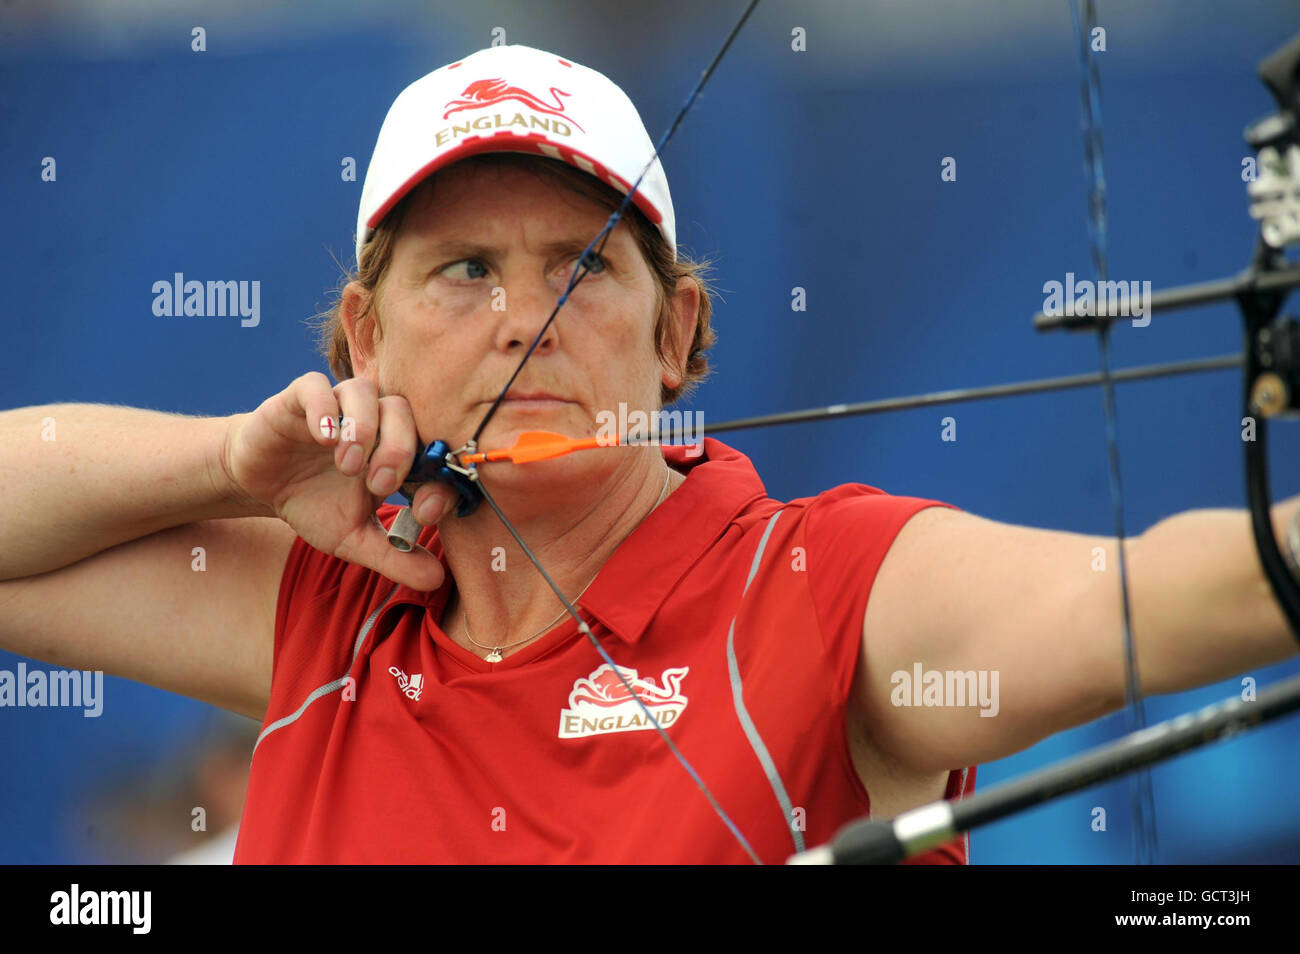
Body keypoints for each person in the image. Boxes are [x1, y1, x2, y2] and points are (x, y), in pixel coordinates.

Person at [2, 44, 1296, 864]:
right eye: (464, 270)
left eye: (583, 266)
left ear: (676, 335)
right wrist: (232, 463)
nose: (528, 318)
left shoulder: (816, 589)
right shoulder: (327, 605)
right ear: (364, 337)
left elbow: (1183, 593)